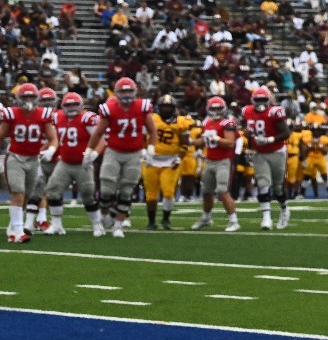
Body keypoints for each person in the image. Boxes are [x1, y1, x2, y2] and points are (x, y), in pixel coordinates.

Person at [91, 77, 159, 239]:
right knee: (106, 189)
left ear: (135, 92)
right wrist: (90, 151)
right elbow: (98, 132)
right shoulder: (110, 108)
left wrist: (151, 148)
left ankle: (118, 225)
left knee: (126, 191)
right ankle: (104, 217)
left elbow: (152, 131)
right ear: (117, 93)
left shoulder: (142, 107)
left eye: (129, 91)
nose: (127, 95)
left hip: (134, 153)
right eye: (123, 91)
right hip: (113, 151)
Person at [0, 82, 54, 244]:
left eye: (31, 96)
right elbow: (1, 135)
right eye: (25, 97)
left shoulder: (44, 114)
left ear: (36, 98)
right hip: (15, 158)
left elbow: (53, 138)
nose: (28, 100)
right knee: (18, 192)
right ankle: (18, 232)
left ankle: (13, 227)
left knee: (27, 196)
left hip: (34, 159)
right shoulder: (11, 114)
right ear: (19, 99)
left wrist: (51, 149)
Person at [41, 92, 98, 235]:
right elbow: (50, 136)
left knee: (88, 194)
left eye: (75, 104)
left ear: (82, 106)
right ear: (62, 106)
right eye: (68, 105)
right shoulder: (56, 117)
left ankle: (97, 224)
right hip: (64, 162)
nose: (71, 107)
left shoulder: (87, 118)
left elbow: (99, 137)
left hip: (82, 163)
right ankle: (56, 225)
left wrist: (94, 153)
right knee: (52, 190)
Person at [240, 85, 291, 230]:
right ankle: (266, 218)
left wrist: (269, 139)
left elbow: (286, 133)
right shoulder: (247, 111)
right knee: (262, 183)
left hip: (277, 151)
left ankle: (284, 209)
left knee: (278, 187)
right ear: (253, 100)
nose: (261, 103)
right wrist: (249, 144)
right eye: (258, 100)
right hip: (259, 152)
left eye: (263, 100)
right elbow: (248, 131)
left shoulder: (274, 112)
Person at [143, 96, 196, 230]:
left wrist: (179, 158)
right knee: (151, 194)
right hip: (151, 160)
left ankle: (166, 219)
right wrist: (143, 151)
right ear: (159, 108)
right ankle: (151, 221)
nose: (166, 109)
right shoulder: (151, 119)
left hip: (171, 161)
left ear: (174, 108)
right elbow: (141, 137)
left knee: (168, 192)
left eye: (169, 107)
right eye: (164, 107)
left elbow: (185, 143)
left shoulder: (181, 122)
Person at [192, 96, 244, 231]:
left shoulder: (227, 123)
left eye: (218, 109)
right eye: (213, 109)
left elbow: (230, 143)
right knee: (206, 191)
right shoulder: (207, 123)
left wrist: (217, 139)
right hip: (210, 161)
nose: (216, 111)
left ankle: (234, 221)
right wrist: (189, 141)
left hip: (223, 161)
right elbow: (202, 141)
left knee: (222, 191)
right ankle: (206, 218)